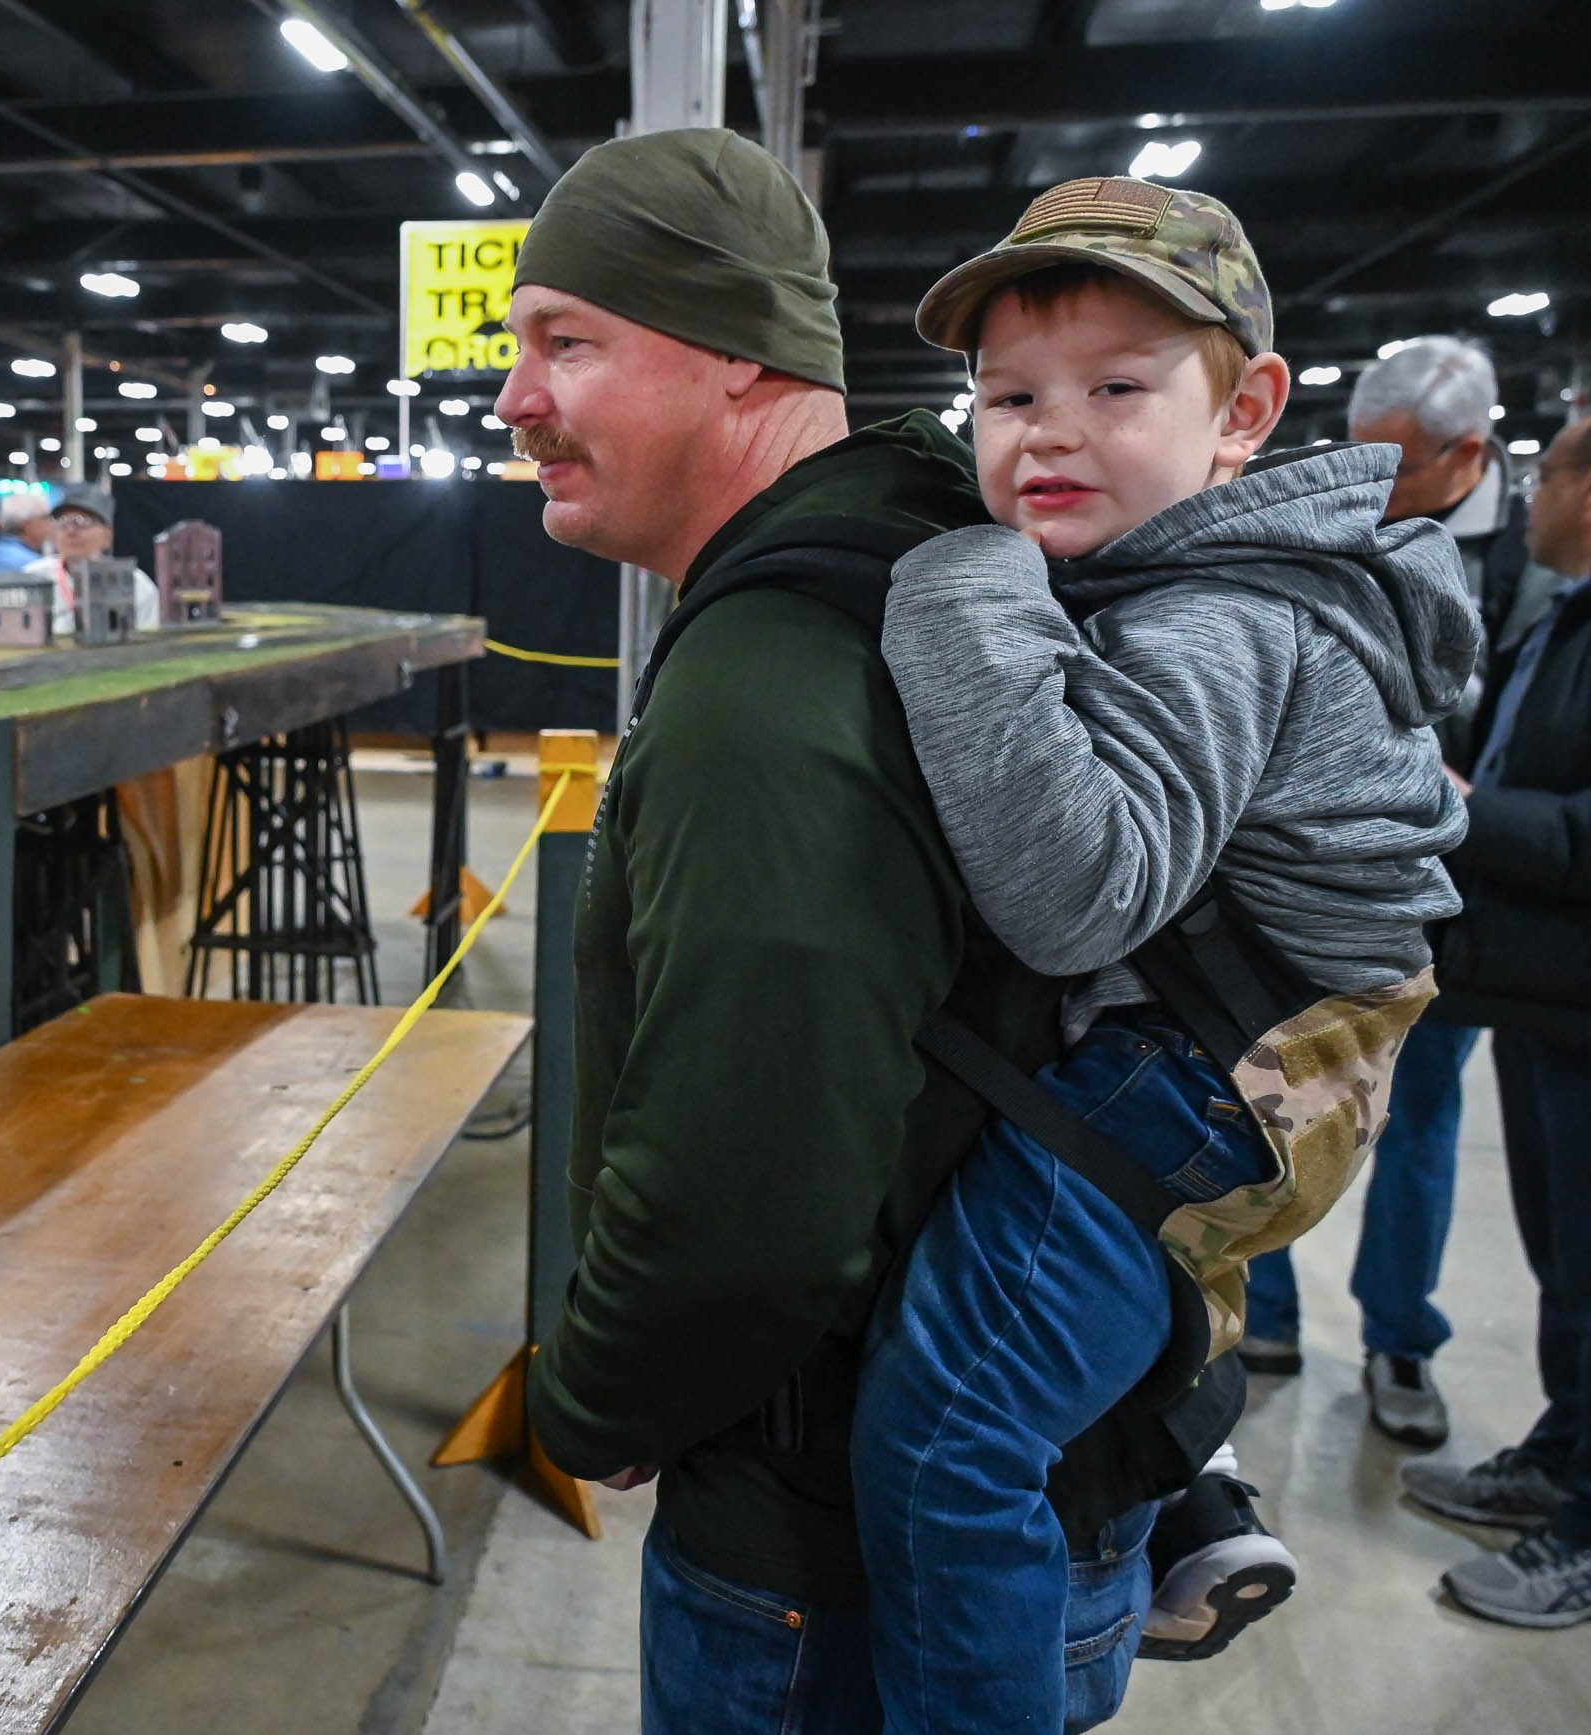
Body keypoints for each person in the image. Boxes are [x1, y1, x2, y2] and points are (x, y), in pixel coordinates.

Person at [505, 131, 1230, 1735]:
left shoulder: (773, 676)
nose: (516, 399)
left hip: (822, 1559)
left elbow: (742, 1189)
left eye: (568, 342)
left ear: (741, 360)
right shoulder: (929, 539)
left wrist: (588, 1394)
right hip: (1010, 1490)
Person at [853, 184, 1474, 1731]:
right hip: (1264, 1054)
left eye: (1116, 387)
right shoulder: (1216, 575)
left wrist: (960, 584)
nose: (1047, 434)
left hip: (1212, 1070)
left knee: (946, 1428)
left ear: (1244, 412)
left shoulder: (1221, 612)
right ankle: (1193, 1480)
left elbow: (1077, 895)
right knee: (1100, 1296)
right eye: (1007, 398)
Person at [1242, 338, 1570, 1446]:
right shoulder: (1345, 530)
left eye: (1403, 464)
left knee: (1421, 1119)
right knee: (1279, 1107)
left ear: (1469, 452)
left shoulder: (1546, 562)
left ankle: (1398, 1342)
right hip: (1325, 887)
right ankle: (1264, 1319)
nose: (1376, 483)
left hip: (1469, 905)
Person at [1399, 414, 1591, 1627]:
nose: (1537, 493)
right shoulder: (1563, 618)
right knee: (1564, 1263)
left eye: (1558, 469)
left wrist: (1462, 807)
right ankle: (1567, 1455)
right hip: (1543, 997)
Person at [22, 487, 159, 635]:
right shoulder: (33, 577)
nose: (71, 531)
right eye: (63, 521)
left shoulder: (135, 584)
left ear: (108, 536)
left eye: (82, 522)